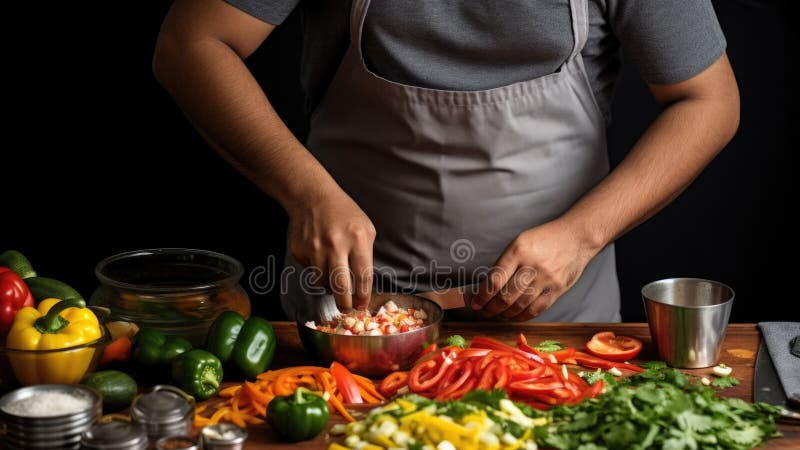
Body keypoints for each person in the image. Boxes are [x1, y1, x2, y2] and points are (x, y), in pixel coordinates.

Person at [153, 0, 739, 322]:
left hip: (558, 323)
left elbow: (709, 101)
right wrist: (308, 195)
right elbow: (191, 43)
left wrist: (582, 236)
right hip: (353, 323)